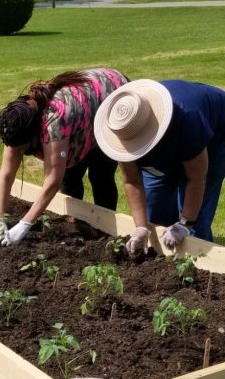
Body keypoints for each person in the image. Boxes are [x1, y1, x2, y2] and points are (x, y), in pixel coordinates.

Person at [0, 68, 128, 245]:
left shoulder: (54, 121)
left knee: (100, 175)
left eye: (22, 149)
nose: (19, 153)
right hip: (80, 115)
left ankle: (105, 231)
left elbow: (52, 180)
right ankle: (78, 223)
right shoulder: (17, 123)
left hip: (109, 99)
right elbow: (6, 175)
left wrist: (24, 225)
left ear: (36, 134)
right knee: (70, 176)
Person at [93, 78, 225, 254]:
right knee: (155, 212)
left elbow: (197, 178)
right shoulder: (124, 132)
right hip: (174, 141)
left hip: (216, 138)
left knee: (196, 225)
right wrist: (141, 227)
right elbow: (132, 180)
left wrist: (185, 224)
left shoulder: (188, 120)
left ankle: (197, 258)